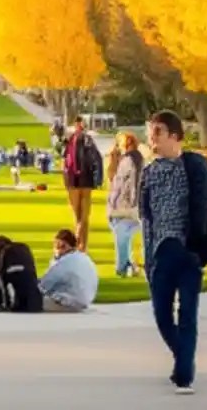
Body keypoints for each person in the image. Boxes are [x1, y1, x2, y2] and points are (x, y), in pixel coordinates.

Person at [141, 110, 207, 396]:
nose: (152, 139)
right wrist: (147, 258)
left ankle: (184, 375)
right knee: (161, 314)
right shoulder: (149, 173)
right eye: (151, 133)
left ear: (174, 136)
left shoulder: (192, 168)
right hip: (161, 251)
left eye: (158, 132)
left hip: (188, 250)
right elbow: (145, 217)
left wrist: (205, 247)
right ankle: (184, 357)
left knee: (188, 314)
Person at [106, 132, 144, 277]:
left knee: (121, 234)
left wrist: (132, 204)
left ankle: (122, 266)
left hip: (125, 205)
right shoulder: (133, 159)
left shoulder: (130, 160)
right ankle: (127, 263)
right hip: (126, 204)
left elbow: (131, 183)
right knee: (123, 235)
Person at [62, 116, 100, 252]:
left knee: (82, 216)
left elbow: (64, 160)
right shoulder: (75, 139)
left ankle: (80, 243)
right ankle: (81, 245)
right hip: (78, 179)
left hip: (80, 178)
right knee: (80, 216)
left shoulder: (79, 139)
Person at [39, 229, 99, 312]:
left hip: (68, 304)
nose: (58, 250)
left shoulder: (63, 262)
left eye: (60, 246)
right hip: (85, 302)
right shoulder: (85, 258)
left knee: (30, 301)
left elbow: (43, 285)